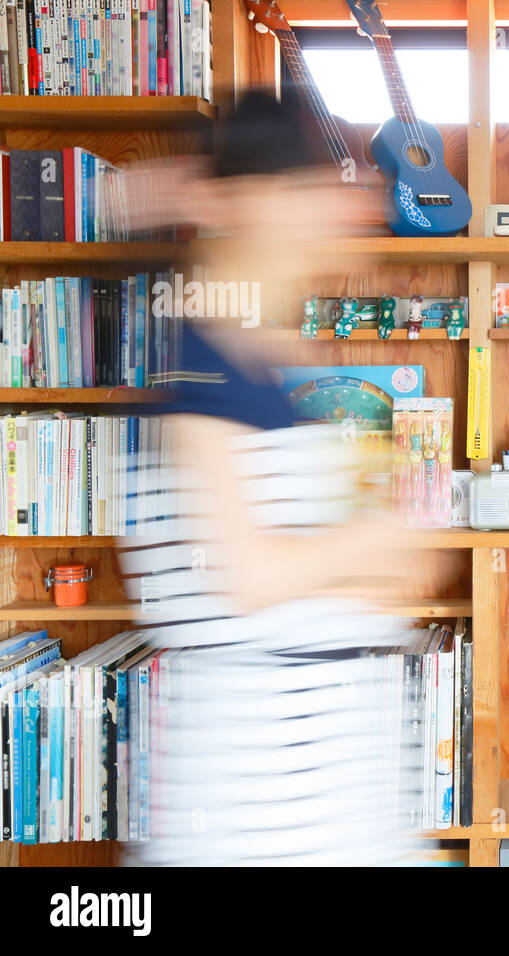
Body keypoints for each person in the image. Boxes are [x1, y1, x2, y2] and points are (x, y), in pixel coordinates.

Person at [117, 91, 423, 865]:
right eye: (327, 182)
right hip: (259, 813)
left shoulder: (263, 362)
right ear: (260, 202)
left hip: (323, 797)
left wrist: (358, 559)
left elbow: (378, 577)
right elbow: (251, 575)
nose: (356, 201)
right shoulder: (204, 369)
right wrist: (374, 538)